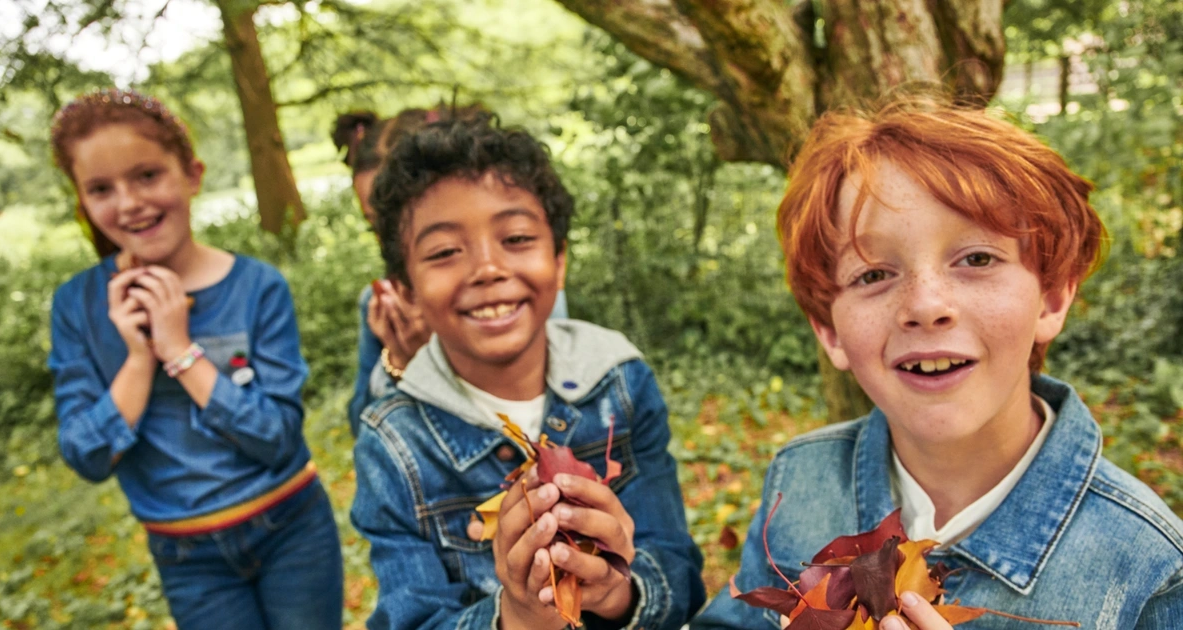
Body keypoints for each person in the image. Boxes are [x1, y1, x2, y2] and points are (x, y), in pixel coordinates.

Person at [691, 97, 1183, 630]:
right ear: (829, 331)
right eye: (873, 274)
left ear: (1053, 298)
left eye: (977, 259)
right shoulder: (800, 479)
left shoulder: (1149, 572)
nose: (925, 307)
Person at [349, 114, 705, 629]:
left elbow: (678, 576)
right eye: (445, 251)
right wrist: (517, 616)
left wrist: (615, 592)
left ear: (559, 260)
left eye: (515, 238)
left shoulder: (620, 386)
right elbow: (412, 617)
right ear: (405, 289)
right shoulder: (393, 447)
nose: (488, 269)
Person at [47, 89, 343, 630]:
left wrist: (180, 351)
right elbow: (86, 456)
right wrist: (139, 357)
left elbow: (277, 439)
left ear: (192, 175)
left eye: (146, 176)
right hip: (187, 557)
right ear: (82, 202)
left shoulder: (258, 287)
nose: (129, 202)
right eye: (100, 188)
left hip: (291, 529)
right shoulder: (76, 308)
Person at [331, 105, 570, 436]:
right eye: (377, 224)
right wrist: (402, 364)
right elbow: (364, 427)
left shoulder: (521, 298)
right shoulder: (379, 307)